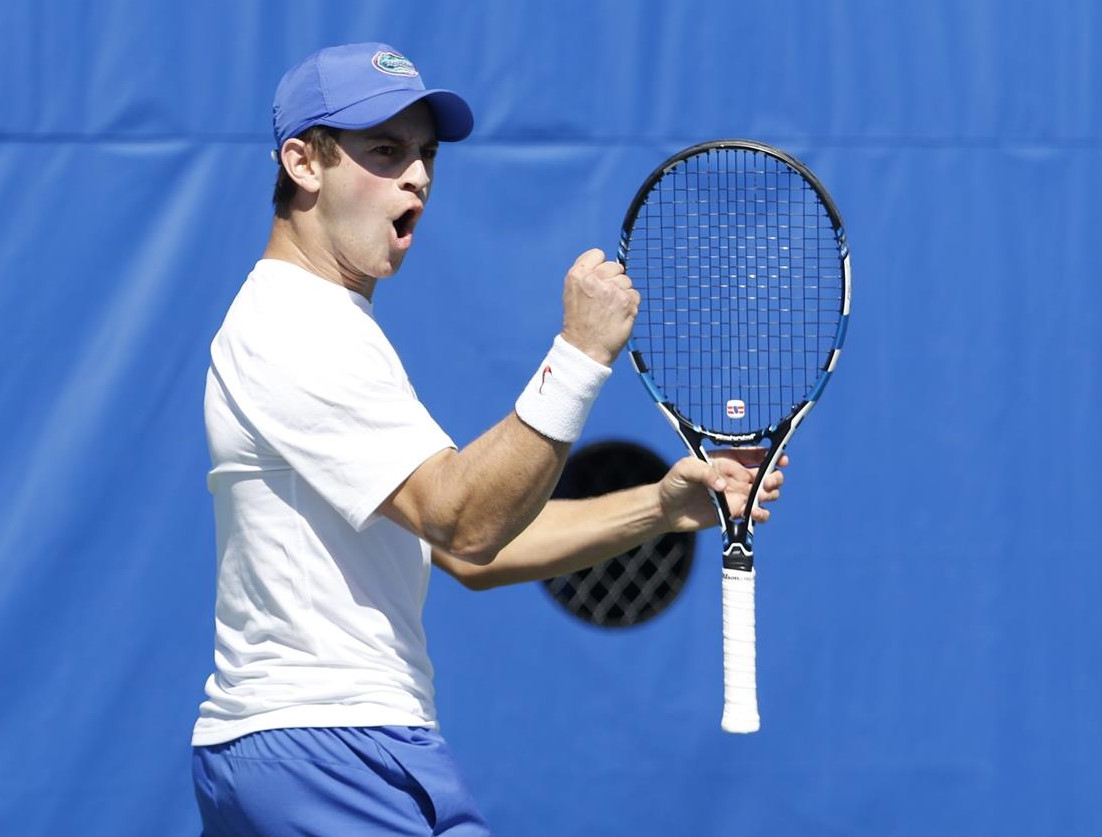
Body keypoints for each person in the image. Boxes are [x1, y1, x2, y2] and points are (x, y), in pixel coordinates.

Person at [191, 43, 786, 836]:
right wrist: (576, 356)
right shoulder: (297, 325)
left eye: (425, 155)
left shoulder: (325, 325)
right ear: (302, 162)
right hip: (328, 745)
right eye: (384, 151)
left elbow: (476, 550)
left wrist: (662, 506)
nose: (417, 177)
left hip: (313, 745)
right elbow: (463, 518)